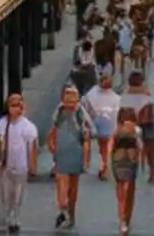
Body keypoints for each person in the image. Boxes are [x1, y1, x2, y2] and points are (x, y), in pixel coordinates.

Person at [48, 85, 92, 229]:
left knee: (73, 188)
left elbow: (87, 135)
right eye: (67, 96)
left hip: (76, 152)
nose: (70, 100)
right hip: (62, 153)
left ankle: (71, 214)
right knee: (62, 183)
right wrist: (53, 147)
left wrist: (85, 160)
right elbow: (53, 130)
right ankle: (63, 208)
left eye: (73, 97)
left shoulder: (80, 113)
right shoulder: (59, 112)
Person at [0, 93, 39, 233]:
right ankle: (8, 215)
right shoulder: (2, 123)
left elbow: (32, 147)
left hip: (21, 165)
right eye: (12, 105)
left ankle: (16, 215)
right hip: (6, 164)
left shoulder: (28, 126)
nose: (15, 109)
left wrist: (33, 166)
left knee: (18, 193)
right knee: (6, 193)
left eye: (18, 105)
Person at [107, 107, 143, 235]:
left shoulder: (117, 129)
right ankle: (125, 218)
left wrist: (107, 163)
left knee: (120, 191)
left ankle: (122, 218)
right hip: (130, 161)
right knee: (129, 191)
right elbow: (140, 146)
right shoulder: (136, 130)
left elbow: (110, 145)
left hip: (117, 161)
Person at [119, 70, 154, 181]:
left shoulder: (124, 96)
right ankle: (151, 170)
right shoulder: (147, 96)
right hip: (146, 125)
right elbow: (150, 115)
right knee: (150, 146)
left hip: (128, 126)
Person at [83, 73, 121, 179]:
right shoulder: (115, 98)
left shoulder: (93, 94)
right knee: (104, 145)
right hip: (104, 121)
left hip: (101, 122)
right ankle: (103, 164)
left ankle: (104, 165)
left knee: (103, 145)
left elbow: (86, 106)